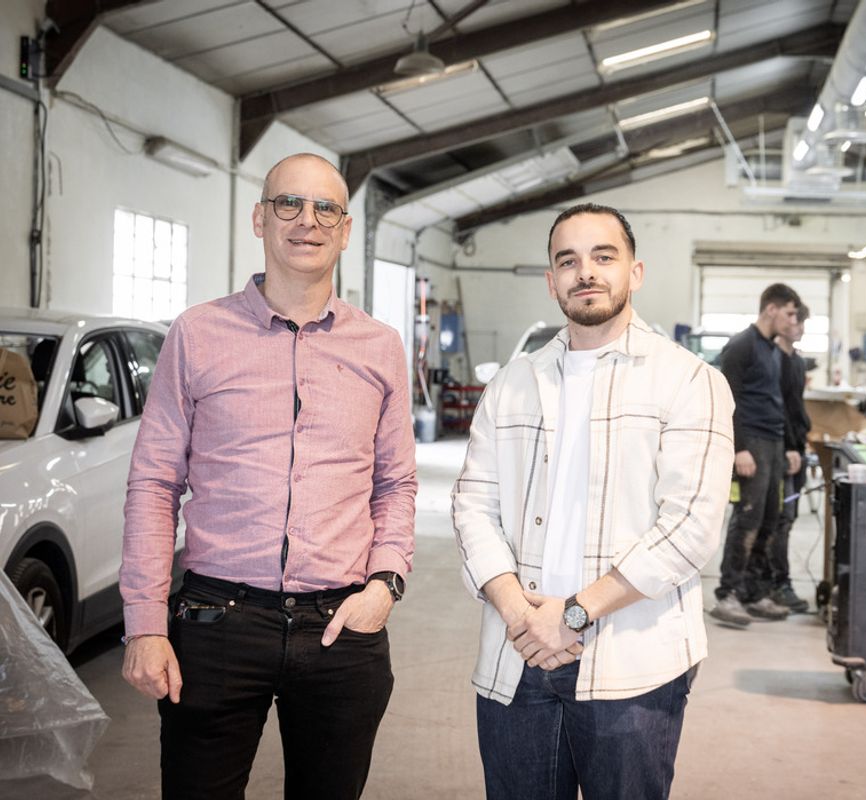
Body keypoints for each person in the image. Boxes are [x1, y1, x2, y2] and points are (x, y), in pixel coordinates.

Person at [120, 153, 417, 800]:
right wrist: (145, 622)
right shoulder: (198, 334)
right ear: (260, 218)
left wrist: (385, 584)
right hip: (217, 623)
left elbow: (395, 482)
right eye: (289, 204)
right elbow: (153, 483)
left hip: (343, 624)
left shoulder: (380, 346)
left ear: (344, 230)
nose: (306, 221)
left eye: (325, 209)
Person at [451, 203, 734, 800]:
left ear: (635, 272)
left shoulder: (688, 381)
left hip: (634, 662)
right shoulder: (512, 383)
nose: (586, 272)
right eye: (568, 260)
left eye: (604, 256)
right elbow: (473, 503)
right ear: (552, 279)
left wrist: (572, 614)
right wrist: (519, 611)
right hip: (517, 652)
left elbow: (690, 527)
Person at [710, 283, 803, 628]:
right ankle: (728, 593)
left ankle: (754, 590)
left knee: (769, 520)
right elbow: (726, 399)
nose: (793, 320)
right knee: (747, 519)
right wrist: (739, 448)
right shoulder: (742, 345)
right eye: (790, 313)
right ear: (771, 309)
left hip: (775, 443)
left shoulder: (773, 351)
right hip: (753, 445)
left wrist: (790, 446)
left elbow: (778, 402)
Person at [751, 304, 812, 615]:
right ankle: (776, 583)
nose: (798, 325)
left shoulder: (796, 361)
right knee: (778, 520)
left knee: (786, 518)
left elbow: (795, 407)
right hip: (782, 448)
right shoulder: (774, 358)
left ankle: (776, 582)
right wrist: (789, 445)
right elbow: (778, 409)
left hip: (796, 449)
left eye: (801, 320)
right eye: (793, 318)